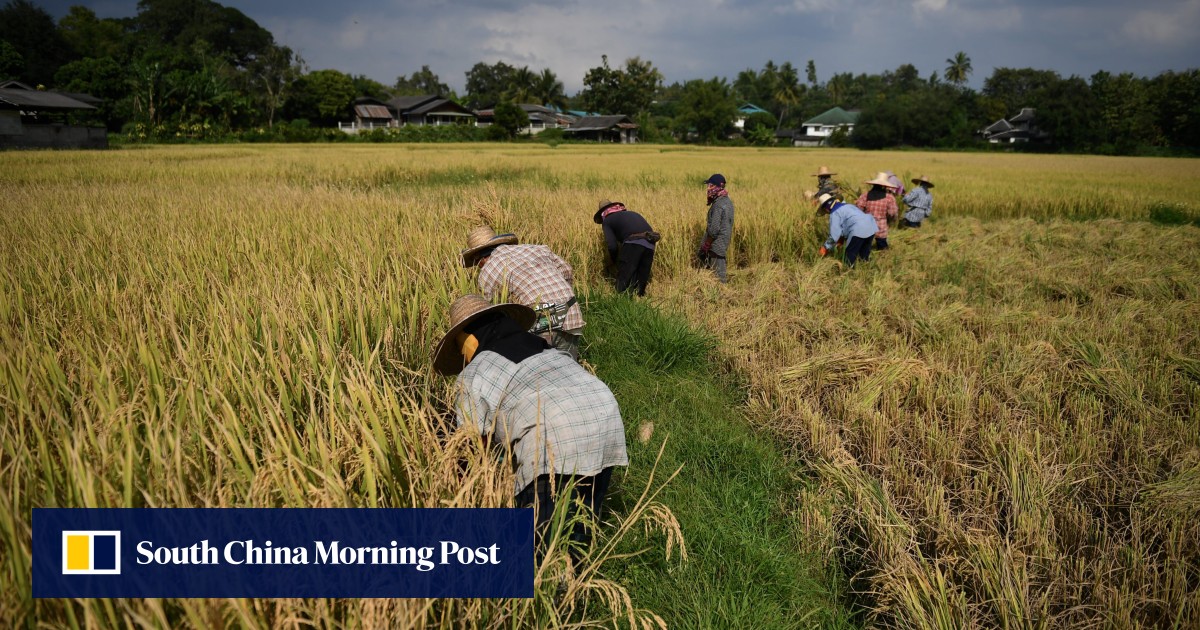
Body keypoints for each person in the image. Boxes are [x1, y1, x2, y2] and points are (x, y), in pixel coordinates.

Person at [433, 294, 628, 556]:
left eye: (459, 346)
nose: (461, 354)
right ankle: (580, 579)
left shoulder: (474, 371)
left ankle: (558, 591)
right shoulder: (545, 347)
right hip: (603, 414)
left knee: (544, 552)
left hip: (554, 433)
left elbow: (470, 446)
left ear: (469, 339)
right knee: (581, 522)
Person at [462, 225, 585, 361]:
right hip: (571, 311)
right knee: (569, 370)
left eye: (476, 262)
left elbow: (494, 311)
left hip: (540, 318)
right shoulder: (536, 248)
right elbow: (567, 269)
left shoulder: (488, 270)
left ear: (480, 258)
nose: (478, 267)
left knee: (541, 373)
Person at [594, 199, 658, 297]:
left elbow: (612, 245)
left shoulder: (607, 220)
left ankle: (619, 303)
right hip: (650, 242)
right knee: (641, 279)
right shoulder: (632, 213)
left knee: (624, 278)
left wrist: (614, 259)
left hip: (633, 243)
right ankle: (640, 301)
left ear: (603, 213)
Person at [817, 191, 878, 267]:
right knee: (864, 255)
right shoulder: (848, 205)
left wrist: (825, 247)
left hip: (858, 229)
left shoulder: (834, 213)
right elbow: (848, 223)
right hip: (871, 226)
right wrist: (841, 241)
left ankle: (848, 273)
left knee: (849, 258)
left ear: (826, 208)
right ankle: (867, 271)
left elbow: (834, 235)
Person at [697, 173, 734, 283]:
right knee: (717, 274)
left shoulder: (718, 205)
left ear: (717, 187)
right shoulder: (728, 202)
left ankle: (721, 298)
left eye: (710, 186)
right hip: (723, 242)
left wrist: (706, 245)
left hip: (716, 245)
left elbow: (713, 230)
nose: (708, 189)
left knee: (718, 278)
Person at [856, 172, 899, 250]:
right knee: (882, 245)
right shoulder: (889, 198)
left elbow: (858, 208)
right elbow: (893, 212)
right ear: (885, 186)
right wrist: (890, 220)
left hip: (866, 224)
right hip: (881, 226)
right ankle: (883, 256)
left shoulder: (865, 195)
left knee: (865, 246)